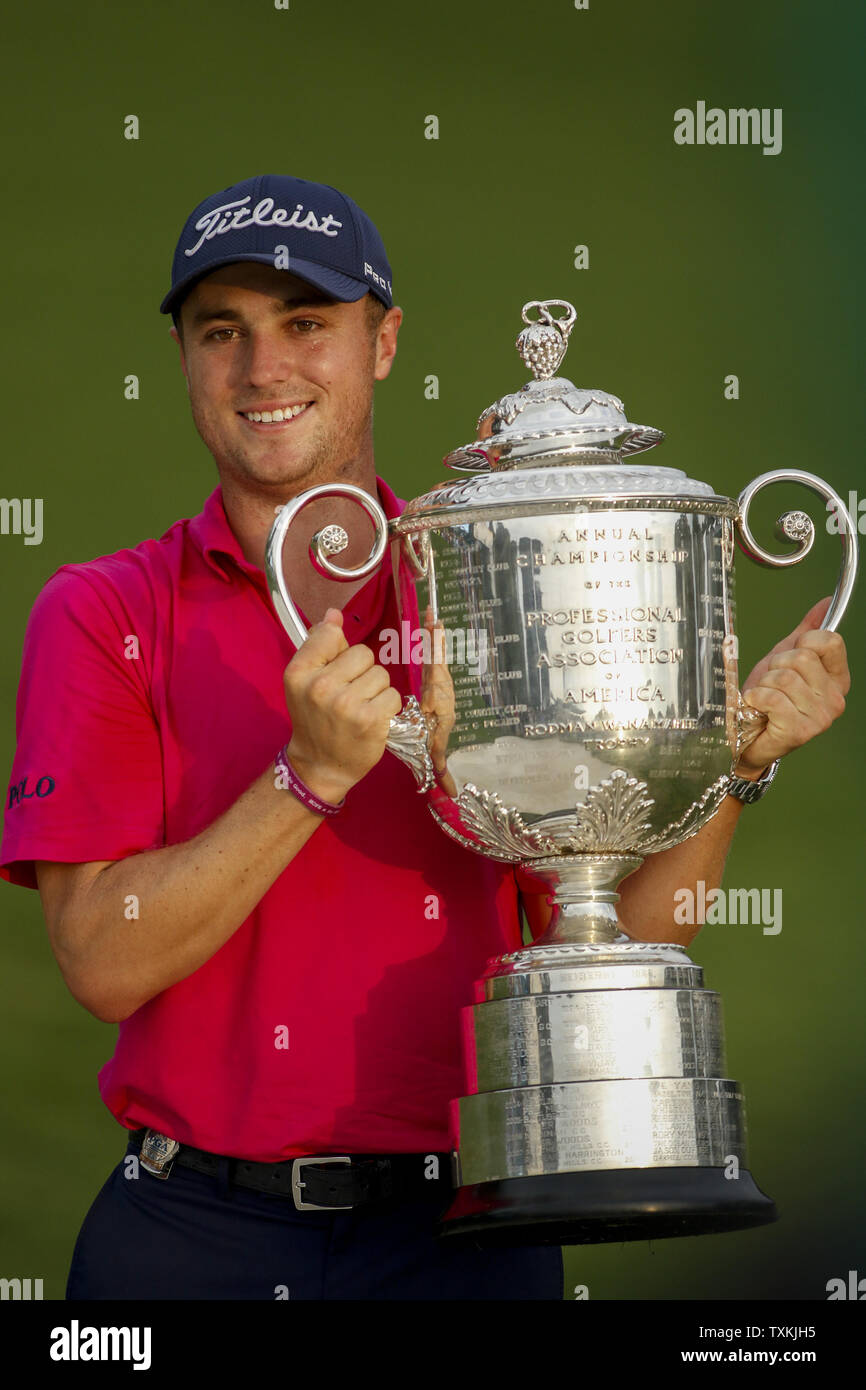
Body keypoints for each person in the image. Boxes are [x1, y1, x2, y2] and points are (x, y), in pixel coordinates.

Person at [0, 174, 850, 1301]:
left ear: (382, 342)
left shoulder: (496, 588)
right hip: (190, 1239)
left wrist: (736, 767)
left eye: (306, 325)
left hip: (466, 1235)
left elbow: (612, 939)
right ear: (186, 357)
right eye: (223, 333)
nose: (263, 370)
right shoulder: (103, 611)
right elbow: (103, 962)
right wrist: (303, 779)